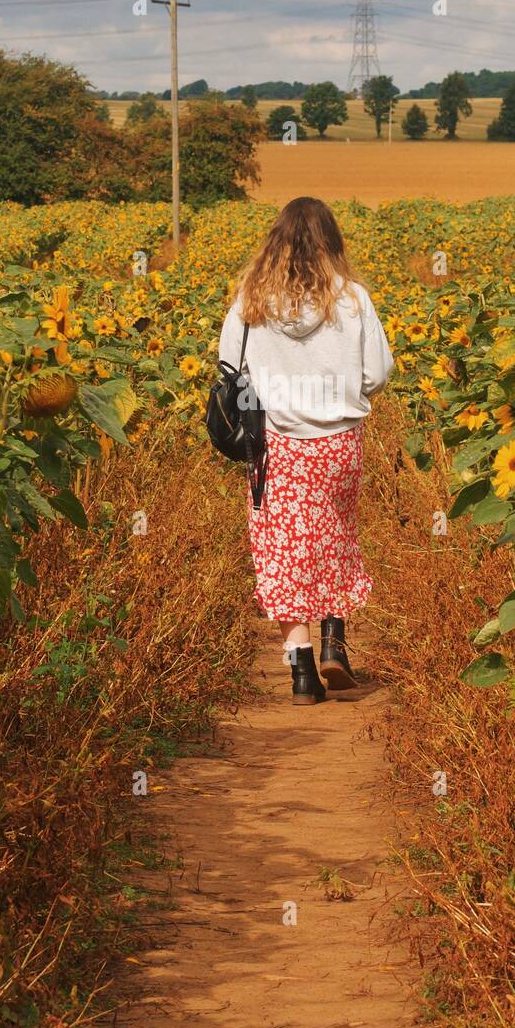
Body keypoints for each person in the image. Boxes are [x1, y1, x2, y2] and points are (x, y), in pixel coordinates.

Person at [217, 196, 394, 705]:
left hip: (274, 443)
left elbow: (229, 369)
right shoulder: (353, 299)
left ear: (275, 241)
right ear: (331, 242)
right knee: (334, 536)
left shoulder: (249, 300)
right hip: (338, 441)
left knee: (282, 553)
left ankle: (302, 675)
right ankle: (334, 643)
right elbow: (378, 373)